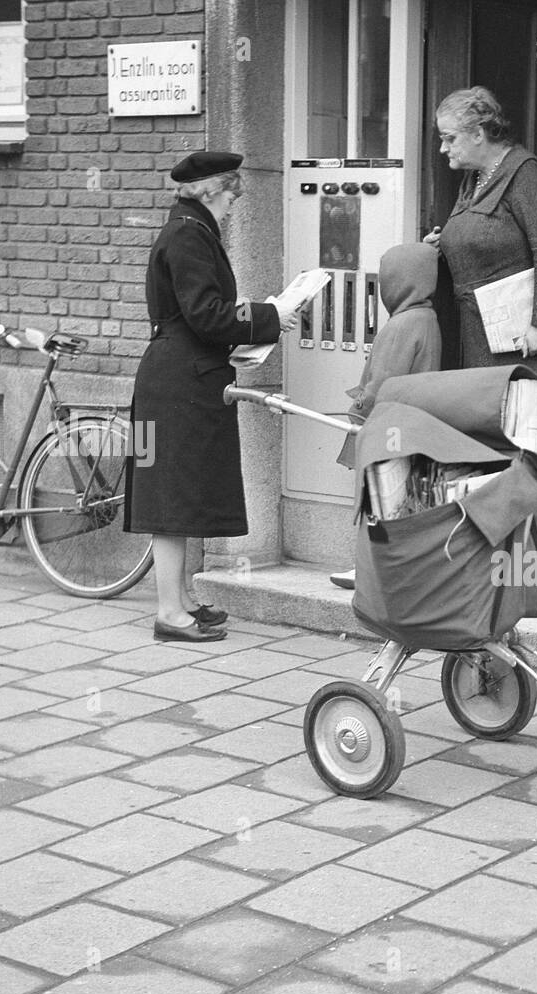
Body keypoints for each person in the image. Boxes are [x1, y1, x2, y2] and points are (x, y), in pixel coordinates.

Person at [124, 150, 297, 641]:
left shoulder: (189, 230)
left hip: (181, 377)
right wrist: (268, 315)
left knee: (180, 494)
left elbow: (202, 311)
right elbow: (205, 314)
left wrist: (250, 316)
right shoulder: (188, 235)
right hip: (178, 382)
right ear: (211, 190)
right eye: (230, 196)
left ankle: (181, 602)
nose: (232, 206)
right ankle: (169, 615)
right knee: (171, 498)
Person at [425, 86, 537, 483]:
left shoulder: (524, 173)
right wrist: (441, 243)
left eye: (449, 138)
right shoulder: (475, 179)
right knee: (500, 455)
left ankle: (533, 545)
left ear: (479, 133)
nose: (443, 148)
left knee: (534, 453)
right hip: (486, 339)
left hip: (528, 344)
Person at [330, 242, 443, 590]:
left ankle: (370, 568)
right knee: (401, 502)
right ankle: (397, 569)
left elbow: (381, 381)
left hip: (384, 428)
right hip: (410, 426)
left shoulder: (400, 326)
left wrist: (357, 413)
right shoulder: (427, 319)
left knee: (376, 500)